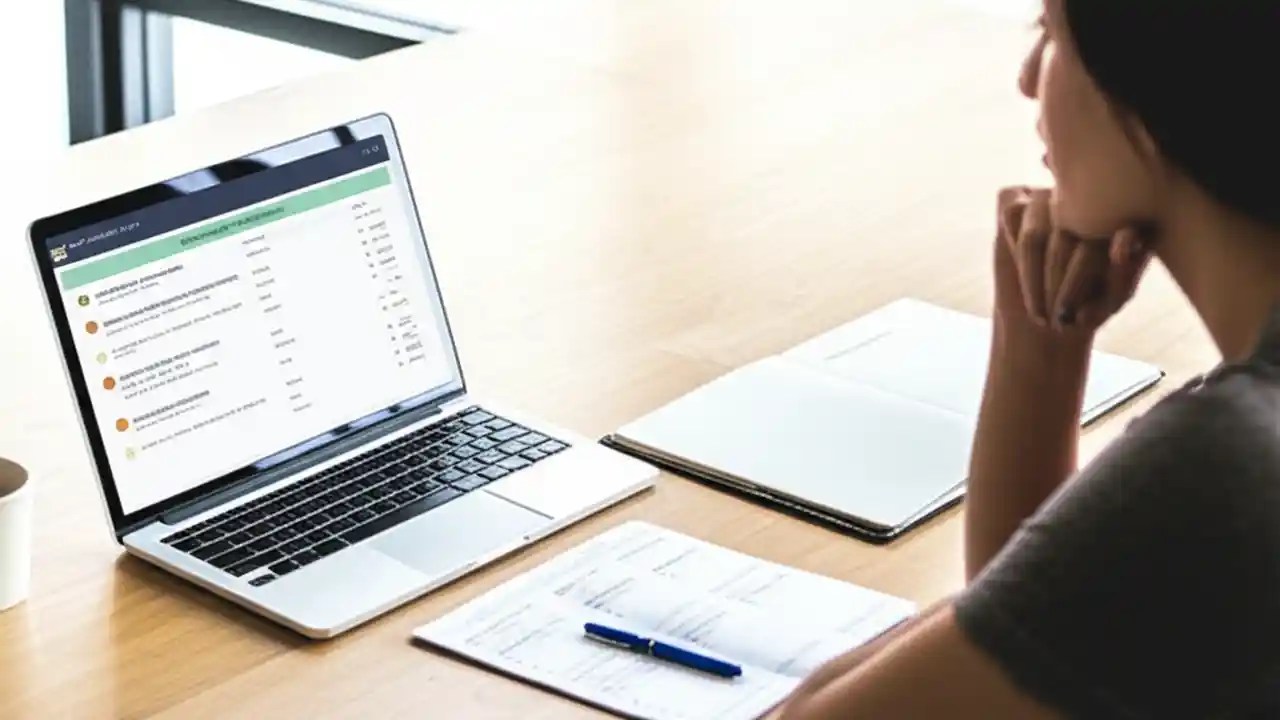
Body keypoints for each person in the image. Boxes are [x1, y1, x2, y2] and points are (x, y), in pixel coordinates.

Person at [774, 1, 1280, 717]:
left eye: (1050, 35)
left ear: (1145, 86)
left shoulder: (1222, 468)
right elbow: (1040, 660)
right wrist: (1040, 340)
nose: (1026, 78)